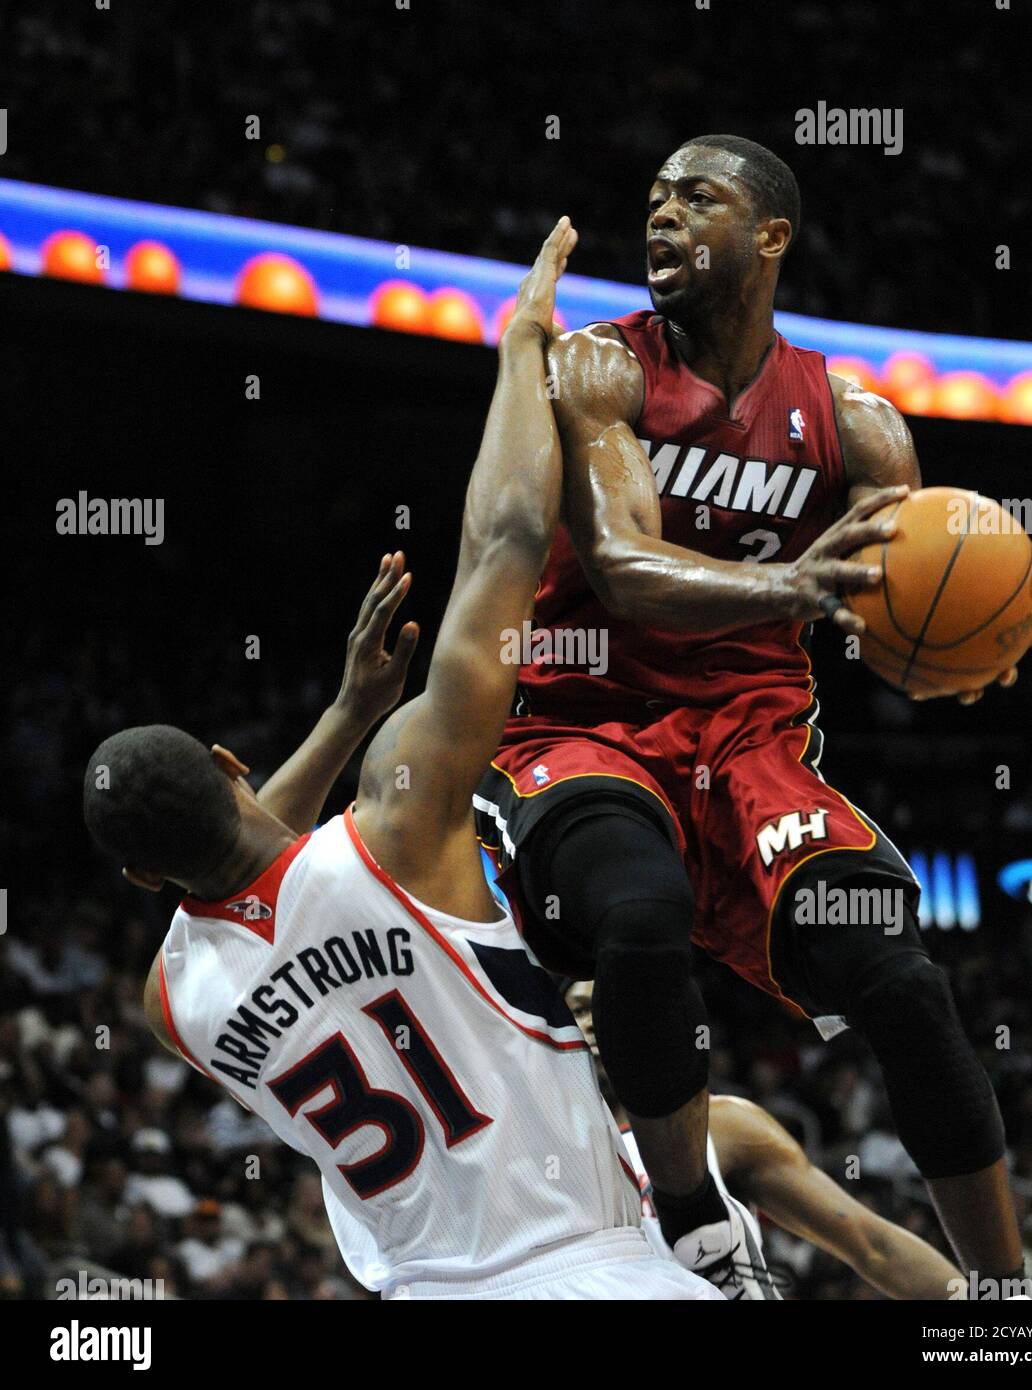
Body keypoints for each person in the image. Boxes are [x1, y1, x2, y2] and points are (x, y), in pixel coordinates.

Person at [83, 220, 720, 1303]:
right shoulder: (398, 827)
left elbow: (237, 871)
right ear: (234, 760)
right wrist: (522, 346)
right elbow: (506, 542)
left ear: (145, 881)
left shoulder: (172, 1002)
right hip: (593, 1268)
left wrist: (339, 718)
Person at [475, 136, 1032, 1295]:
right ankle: (694, 1218)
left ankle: (1003, 1306)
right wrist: (793, 586)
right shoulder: (603, 369)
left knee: (905, 985)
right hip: (588, 724)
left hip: (753, 744)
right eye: (654, 201)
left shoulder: (860, 426)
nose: (664, 217)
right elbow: (627, 564)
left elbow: (897, 613)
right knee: (642, 913)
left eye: (698, 198)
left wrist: (967, 656)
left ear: (772, 236)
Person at [565, 980, 962, 1300]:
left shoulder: (722, 1126)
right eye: (580, 1010)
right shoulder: (539, 1156)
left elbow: (872, 1245)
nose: (596, 1022)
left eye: (613, 1008)